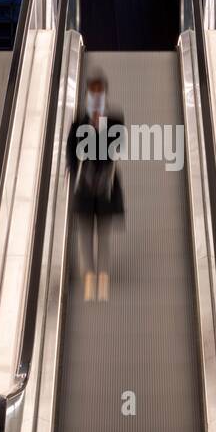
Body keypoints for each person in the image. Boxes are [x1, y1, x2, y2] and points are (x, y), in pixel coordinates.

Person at [66, 67, 124, 302]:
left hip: (106, 184)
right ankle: (89, 275)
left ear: (105, 92)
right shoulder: (79, 121)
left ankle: (103, 276)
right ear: (88, 93)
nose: (96, 94)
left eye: (100, 90)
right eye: (93, 90)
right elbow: (71, 150)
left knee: (104, 233)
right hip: (84, 184)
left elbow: (115, 147)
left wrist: (99, 127)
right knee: (85, 232)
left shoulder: (115, 119)